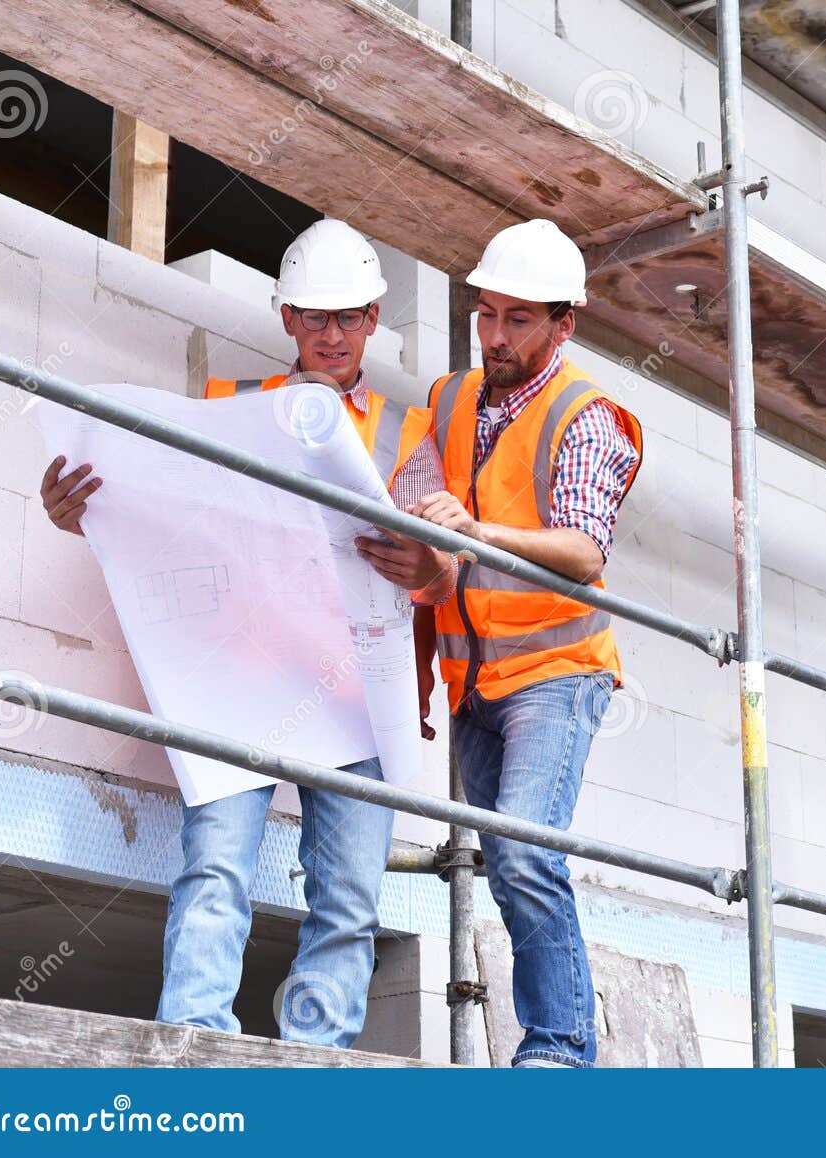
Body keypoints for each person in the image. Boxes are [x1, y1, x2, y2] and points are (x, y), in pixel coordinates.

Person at [38, 218, 456, 1048]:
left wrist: (430, 571)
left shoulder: (411, 438)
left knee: (347, 896)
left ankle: (317, 1060)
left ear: (375, 318)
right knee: (215, 867)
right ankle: (195, 1045)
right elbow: (168, 526)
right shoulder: (228, 411)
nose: (330, 335)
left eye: (347, 317)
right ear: (286, 317)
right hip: (240, 686)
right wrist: (80, 518)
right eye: (313, 316)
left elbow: (446, 576)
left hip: (357, 694)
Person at [415, 219, 642, 1068]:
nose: (496, 335)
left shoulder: (587, 418)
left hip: (556, 672)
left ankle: (559, 1049)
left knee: (520, 848)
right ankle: (552, 1043)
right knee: (509, 863)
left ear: (563, 324)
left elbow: (584, 552)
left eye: (518, 319)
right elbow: (409, 509)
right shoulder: (448, 400)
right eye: (486, 314)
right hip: (471, 677)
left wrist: (475, 529)